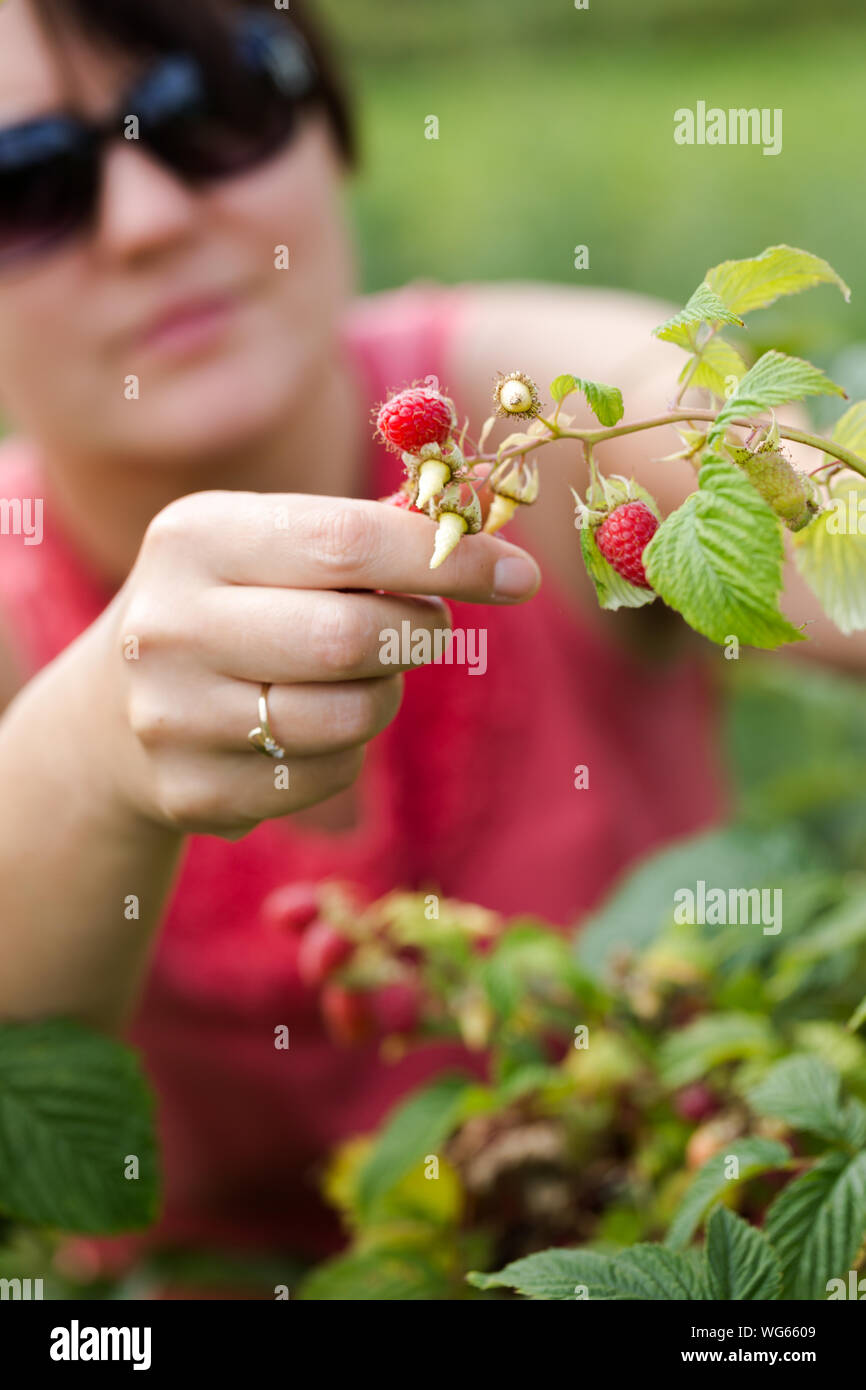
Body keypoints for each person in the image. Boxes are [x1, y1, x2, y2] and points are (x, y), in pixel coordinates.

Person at [0, 0, 860, 1273]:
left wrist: (810, 476)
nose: (150, 220)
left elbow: (716, 429)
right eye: (29, 181)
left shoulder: (532, 406)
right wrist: (80, 759)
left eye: (213, 108)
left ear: (327, 122)